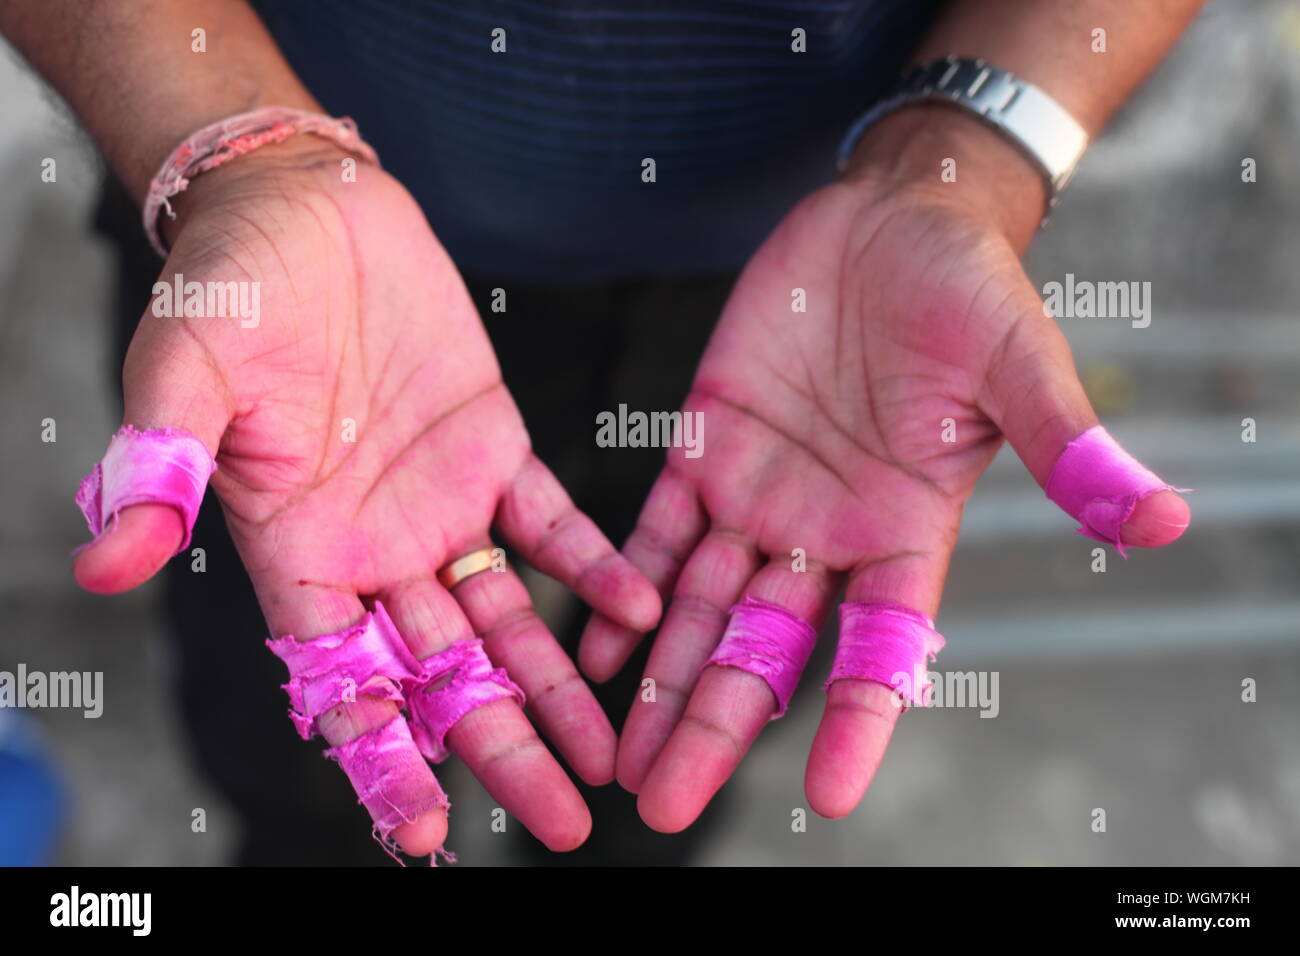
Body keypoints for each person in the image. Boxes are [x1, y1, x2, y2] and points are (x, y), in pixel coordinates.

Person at [0, 0, 1199, 864]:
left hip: (815, 322)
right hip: (310, 290)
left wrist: (959, 166)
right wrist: (244, 167)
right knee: (305, 726)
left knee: (685, 723)